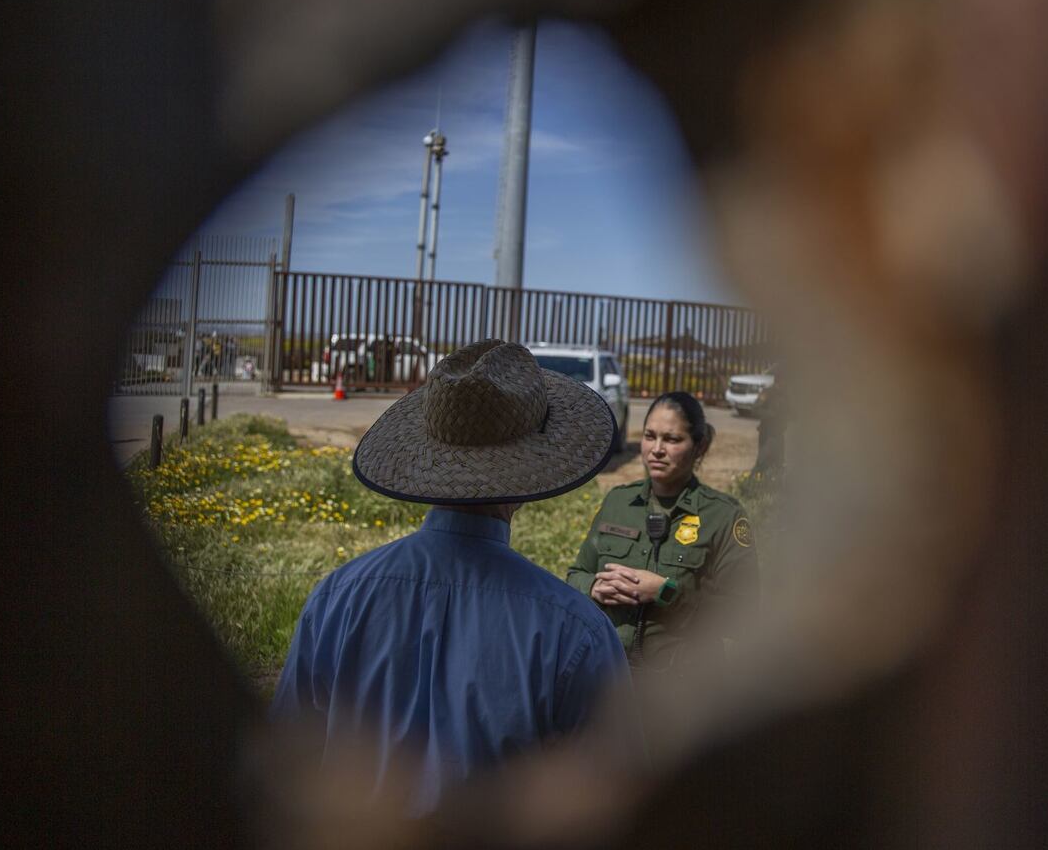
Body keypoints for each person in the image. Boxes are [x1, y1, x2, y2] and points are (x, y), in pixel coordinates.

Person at [271, 339, 632, 814]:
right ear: (529, 478)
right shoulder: (574, 630)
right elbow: (611, 799)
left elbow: (287, 763)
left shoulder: (339, 597)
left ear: (426, 457)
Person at [566, 392, 759, 674]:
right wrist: (593, 587)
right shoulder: (618, 502)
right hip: (607, 676)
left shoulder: (723, 516)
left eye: (672, 439)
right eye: (649, 436)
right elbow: (576, 575)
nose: (656, 449)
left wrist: (666, 593)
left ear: (700, 446)